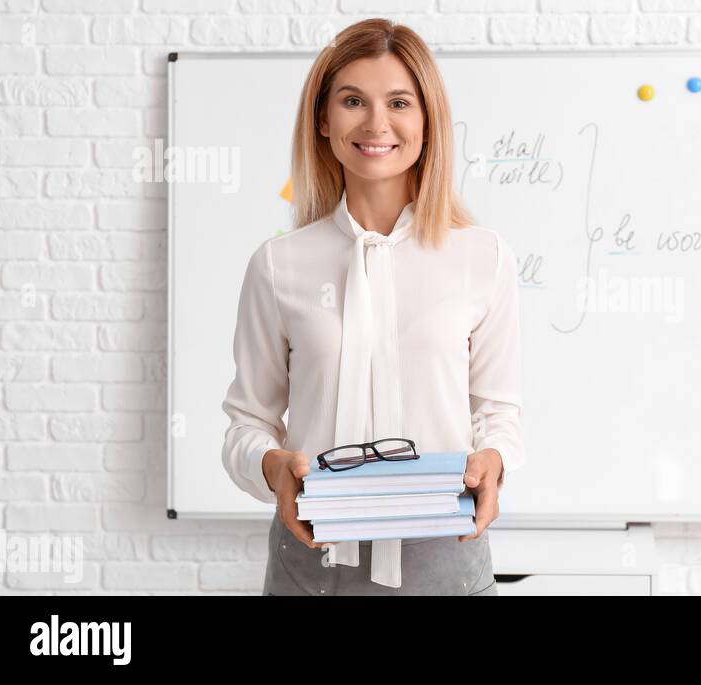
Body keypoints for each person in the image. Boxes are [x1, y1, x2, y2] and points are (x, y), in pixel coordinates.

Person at [219, 18, 525, 596]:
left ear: (428, 121)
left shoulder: (482, 256)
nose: (376, 123)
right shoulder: (278, 265)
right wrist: (273, 466)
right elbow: (246, 425)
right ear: (323, 121)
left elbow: (500, 412)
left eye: (399, 102)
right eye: (353, 100)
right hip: (310, 559)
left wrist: (495, 459)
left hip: (446, 555)